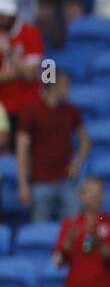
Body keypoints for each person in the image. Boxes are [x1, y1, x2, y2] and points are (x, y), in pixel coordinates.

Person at [17, 68, 88, 223]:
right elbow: (22, 149)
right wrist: (23, 184)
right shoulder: (32, 111)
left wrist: (77, 163)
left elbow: (85, 140)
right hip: (40, 180)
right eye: (65, 84)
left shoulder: (71, 110)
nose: (68, 88)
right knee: (39, 230)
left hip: (67, 180)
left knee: (73, 228)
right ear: (54, 85)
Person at [0, 0, 43, 122]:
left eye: (3, 16)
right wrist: (20, 72)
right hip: (2, 107)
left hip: (28, 104)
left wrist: (8, 52)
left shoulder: (31, 33)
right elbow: (29, 72)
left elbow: (31, 75)